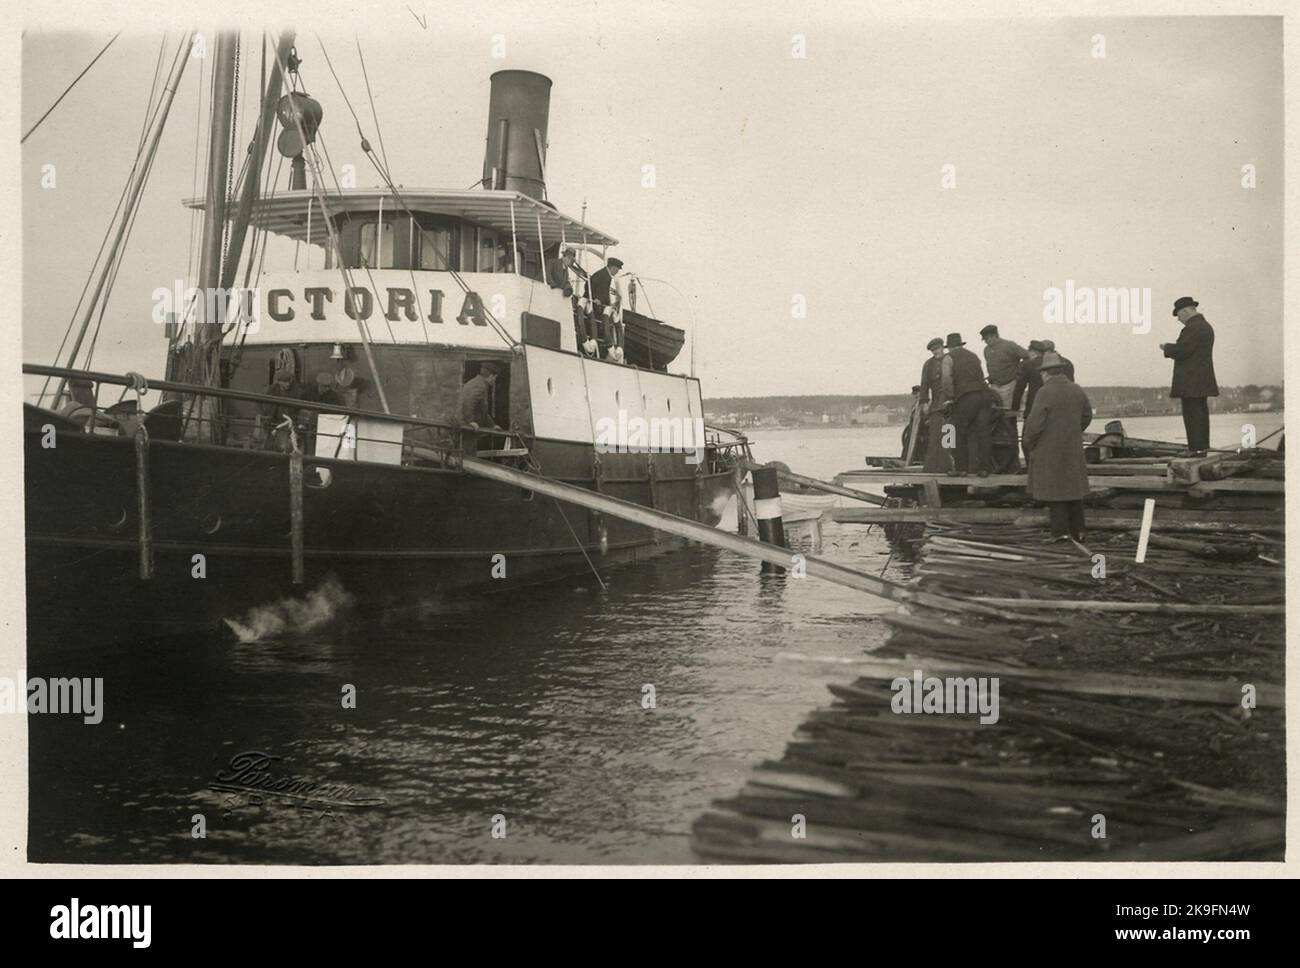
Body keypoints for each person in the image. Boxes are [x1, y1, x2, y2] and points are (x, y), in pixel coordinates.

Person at [1022, 352, 1093, 542]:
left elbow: (1034, 424)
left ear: (1046, 373)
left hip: (1049, 450)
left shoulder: (1044, 392)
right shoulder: (1076, 389)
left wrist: (1028, 442)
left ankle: (1060, 534)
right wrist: (1072, 431)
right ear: (1060, 370)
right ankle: (1079, 531)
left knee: (1056, 493)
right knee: (1073, 491)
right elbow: (1087, 416)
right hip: (1072, 448)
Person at [1160, 296, 1218, 454]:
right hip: (1201, 380)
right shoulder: (1205, 326)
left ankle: (1196, 449)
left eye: (1178, 315)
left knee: (1192, 416)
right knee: (1200, 415)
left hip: (1191, 381)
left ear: (1185, 311)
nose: (1178, 319)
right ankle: (1202, 448)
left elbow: (1183, 350)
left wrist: (1166, 347)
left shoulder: (1193, 328)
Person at [943, 332, 993, 476]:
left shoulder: (949, 358)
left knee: (958, 432)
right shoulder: (973, 355)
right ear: (960, 344)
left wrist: (950, 397)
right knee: (983, 433)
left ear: (949, 347)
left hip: (966, 397)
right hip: (984, 395)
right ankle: (984, 469)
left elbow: (946, 379)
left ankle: (961, 469)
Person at [916, 336, 954, 472]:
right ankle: (933, 467)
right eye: (933, 350)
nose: (936, 352)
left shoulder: (950, 359)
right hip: (936, 405)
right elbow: (924, 384)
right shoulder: (928, 365)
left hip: (951, 404)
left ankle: (949, 465)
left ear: (942, 347)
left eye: (937, 348)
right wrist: (924, 402)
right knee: (934, 436)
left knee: (949, 434)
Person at [458, 361, 504, 454]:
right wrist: (471, 421)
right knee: (468, 456)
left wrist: (492, 425)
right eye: (495, 378)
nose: (494, 381)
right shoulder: (479, 386)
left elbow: (482, 410)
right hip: (466, 427)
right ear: (491, 376)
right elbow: (469, 402)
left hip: (467, 427)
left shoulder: (477, 383)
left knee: (468, 453)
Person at [979, 324, 1028, 409]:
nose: (985, 342)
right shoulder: (986, 350)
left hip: (1010, 385)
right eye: (984, 340)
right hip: (995, 386)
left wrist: (1018, 371)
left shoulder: (1009, 345)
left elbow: (1027, 356)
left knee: (1010, 412)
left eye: (987, 339)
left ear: (994, 336)